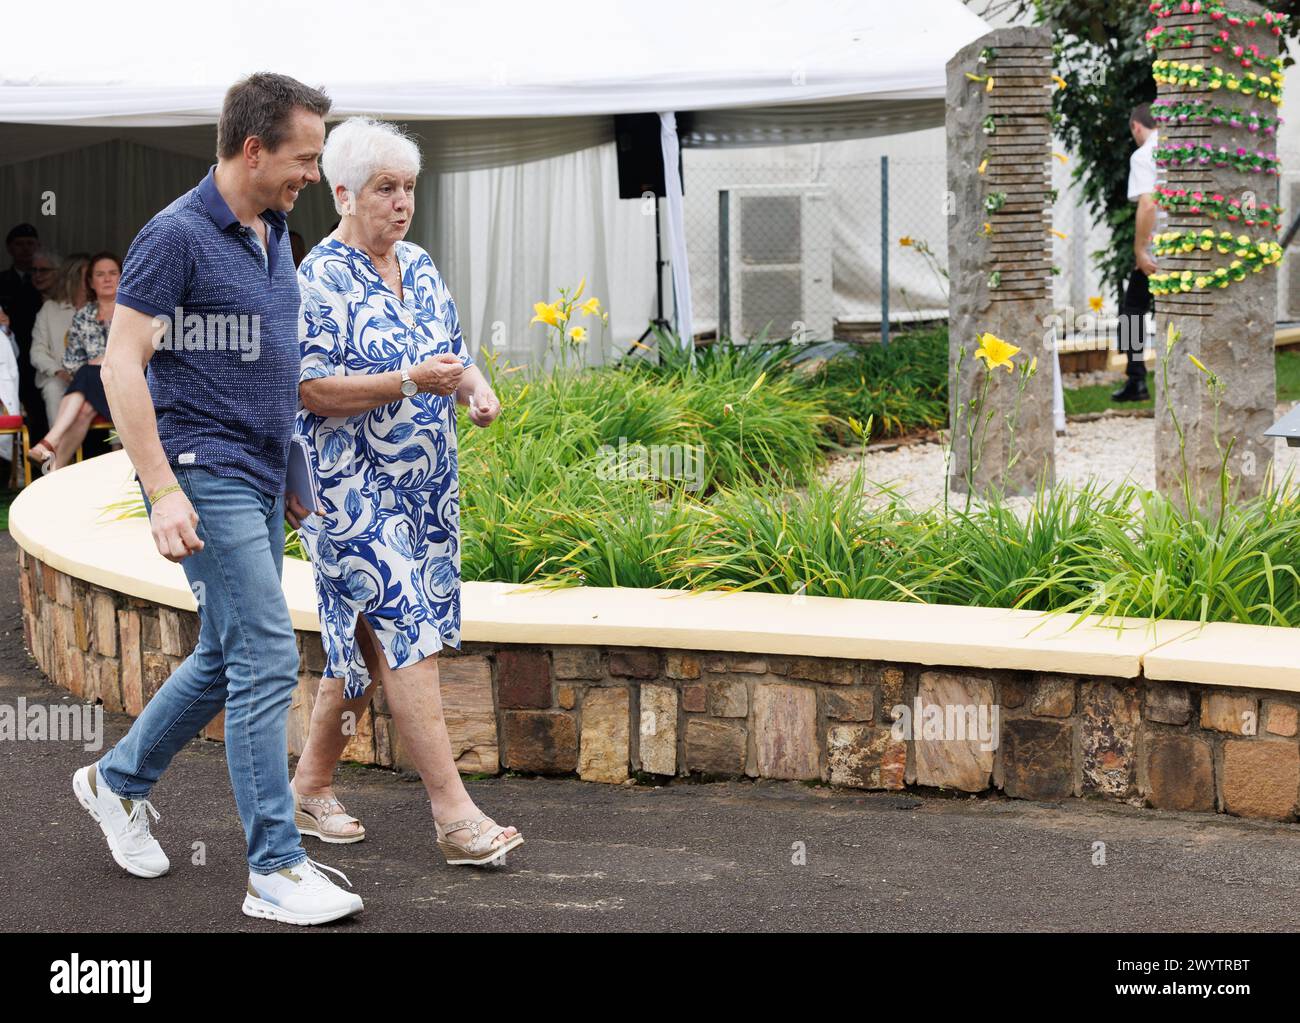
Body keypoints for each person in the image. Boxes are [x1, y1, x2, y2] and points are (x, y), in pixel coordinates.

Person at [71, 72, 363, 927]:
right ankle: (274, 866)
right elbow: (121, 365)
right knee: (269, 653)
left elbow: (276, 367)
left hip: (261, 472)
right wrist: (161, 487)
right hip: (204, 467)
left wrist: (296, 477)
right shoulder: (176, 235)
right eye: (304, 157)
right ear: (252, 148)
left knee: (226, 653)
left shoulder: (272, 230)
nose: (312, 172)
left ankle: (115, 780)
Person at [286, 116, 521, 866]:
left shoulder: (419, 265)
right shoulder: (316, 278)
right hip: (346, 494)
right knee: (404, 627)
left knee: (363, 643)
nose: (401, 203)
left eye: (409, 188)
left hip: (422, 493)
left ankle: (308, 787)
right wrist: (408, 382)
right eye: (386, 188)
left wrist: (475, 390)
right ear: (344, 191)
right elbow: (312, 387)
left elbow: (451, 355)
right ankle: (454, 815)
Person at [27, 252, 120, 472]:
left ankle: (49, 444)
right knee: (84, 406)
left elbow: (148, 353)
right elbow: (71, 362)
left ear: (122, 277)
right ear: (90, 282)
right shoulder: (83, 315)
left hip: (131, 384)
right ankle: (56, 471)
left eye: (113, 273)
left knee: (89, 373)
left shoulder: (132, 310)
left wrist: (106, 359)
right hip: (97, 387)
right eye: (100, 274)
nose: (107, 279)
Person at [1113, 103, 1160, 403]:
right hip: (1189, 245)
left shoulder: (1144, 155)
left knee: (1131, 313)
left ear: (1136, 126)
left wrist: (1140, 249)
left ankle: (1136, 379)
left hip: (1156, 250)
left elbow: (1148, 203)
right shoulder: (1177, 147)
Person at [0, 223, 50, 437]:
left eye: (30, 244)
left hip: (40, 352)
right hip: (10, 352)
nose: (25, 249)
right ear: (9, 248)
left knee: (39, 407)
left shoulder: (46, 281)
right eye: (19, 244)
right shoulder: (1, 280)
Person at [30, 251, 89, 428]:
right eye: (89, 276)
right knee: (53, 387)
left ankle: (117, 449)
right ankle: (57, 450)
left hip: (93, 378)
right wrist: (58, 371)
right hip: (60, 377)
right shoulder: (50, 309)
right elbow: (37, 351)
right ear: (73, 278)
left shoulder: (101, 308)